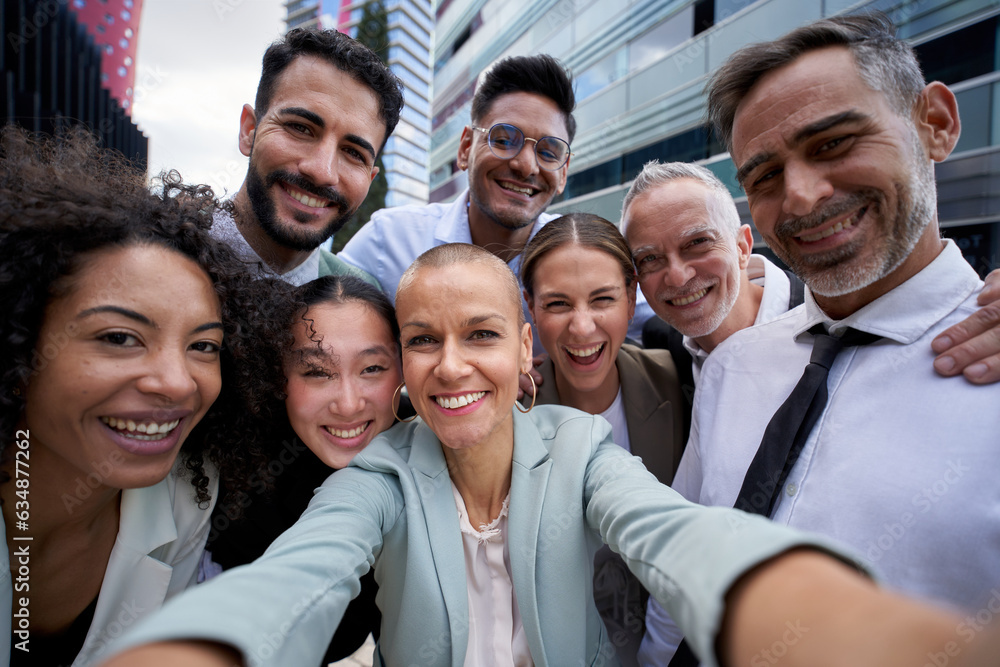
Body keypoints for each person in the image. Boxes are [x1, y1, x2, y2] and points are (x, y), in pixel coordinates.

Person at [100, 243, 996, 667]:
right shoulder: (380, 472)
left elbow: (678, 537)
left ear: (524, 352)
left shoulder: (576, 444)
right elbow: (297, 579)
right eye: (421, 341)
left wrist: (858, 634)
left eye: (481, 334)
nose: (451, 365)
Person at [641, 12, 1000, 664]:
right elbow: (681, 551)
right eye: (765, 177)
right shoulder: (731, 367)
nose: (802, 196)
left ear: (937, 124)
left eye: (834, 143)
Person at [0, 126, 289, 667]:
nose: (177, 382)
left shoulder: (187, 496)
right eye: (119, 338)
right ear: (18, 345)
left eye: (204, 345)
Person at [622, 160, 1000, 441]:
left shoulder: (845, 321)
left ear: (742, 246)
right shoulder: (662, 341)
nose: (677, 275)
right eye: (650, 258)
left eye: (697, 243)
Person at [338, 53, 654, 344]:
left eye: (548, 151)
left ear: (563, 172)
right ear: (465, 149)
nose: (526, 165)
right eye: (504, 139)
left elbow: (664, 325)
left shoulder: (585, 255)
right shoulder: (390, 240)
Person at [203, 275, 403, 664]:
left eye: (373, 368)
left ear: (404, 368)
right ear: (278, 377)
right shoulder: (237, 470)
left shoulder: (433, 449)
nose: (348, 404)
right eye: (317, 372)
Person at [520, 213, 685, 664]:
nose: (583, 327)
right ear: (530, 309)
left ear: (631, 300)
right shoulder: (512, 411)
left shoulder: (679, 381)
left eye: (603, 299)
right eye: (557, 304)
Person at [213, 28, 404, 286]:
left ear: (370, 179)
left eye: (353, 153)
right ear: (249, 131)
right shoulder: (151, 249)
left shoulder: (367, 306)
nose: (321, 171)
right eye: (300, 128)